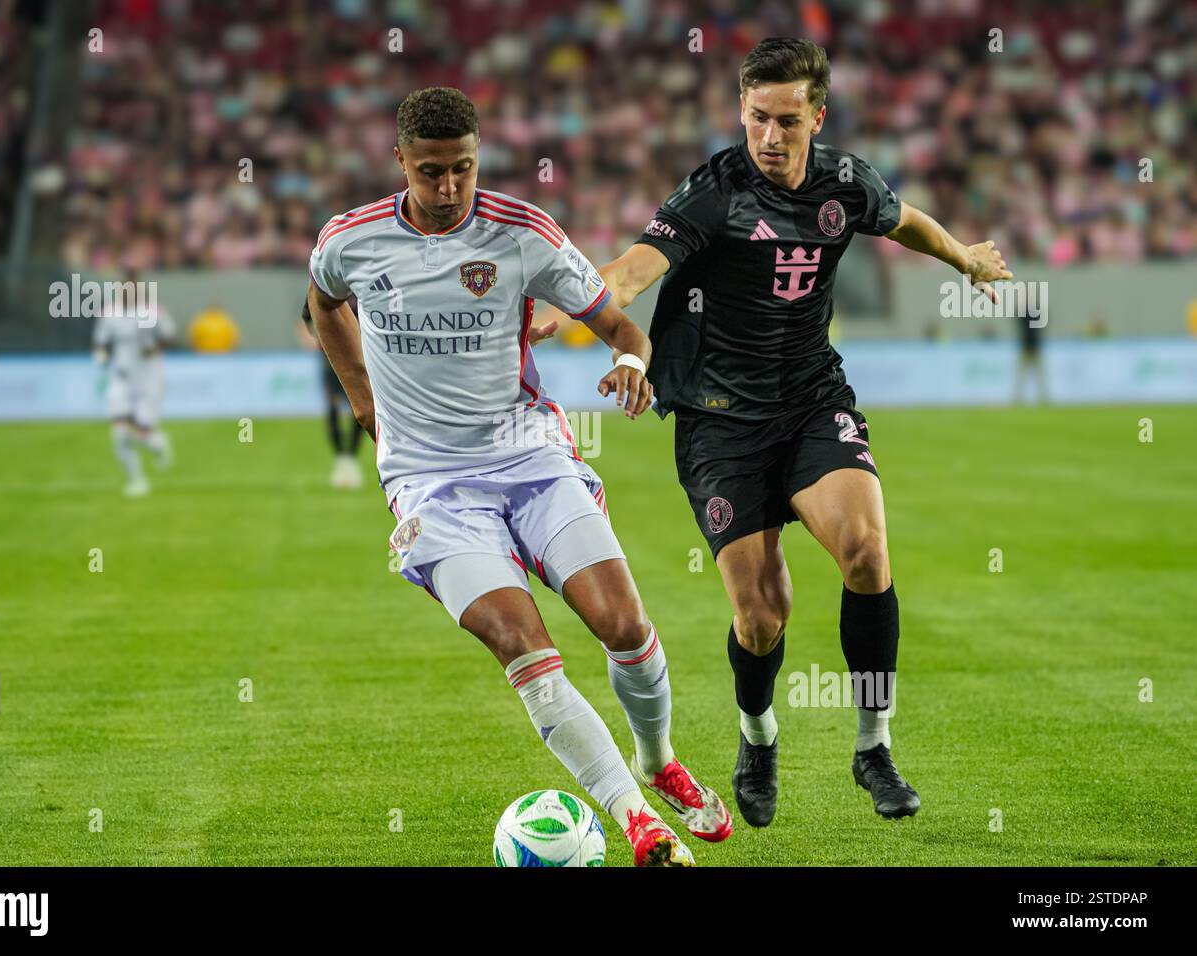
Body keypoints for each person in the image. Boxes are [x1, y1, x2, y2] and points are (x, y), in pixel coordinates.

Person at [307, 87, 733, 866]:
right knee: (523, 645)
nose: (448, 190)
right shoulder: (350, 240)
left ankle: (656, 756)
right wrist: (363, 398)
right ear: (399, 160)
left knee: (625, 628)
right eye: (431, 172)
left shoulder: (522, 232)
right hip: (431, 488)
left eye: (463, 170)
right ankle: (638, 821)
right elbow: (323, 303)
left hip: (530, 458)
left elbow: (617, 320)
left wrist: (631, 361)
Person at [596, 39, 1013, 825]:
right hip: (720, 423)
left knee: (866, 552)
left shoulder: (846, 183)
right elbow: (634, 267)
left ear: (817, 116)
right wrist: (584, 308)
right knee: (761, 616)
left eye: (789, 119)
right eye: (757, 117)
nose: (770, 136)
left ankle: (874, 746)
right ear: (741, 112)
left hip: (812, 399)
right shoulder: (714, 191)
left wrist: (963, 258)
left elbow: (904, 221)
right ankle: (759, 738)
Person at [93, 276, 176, 497]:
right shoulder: (109, 313)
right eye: (124, 290)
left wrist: (154, 349)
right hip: (121, 376)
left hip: (149, 377)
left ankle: (157, 443)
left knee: (141, 431)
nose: (128, 294)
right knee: (119, 432)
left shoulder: (152, 312)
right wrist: (101, 357)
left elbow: (170, 336)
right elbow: (101, 343)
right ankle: (137, 481)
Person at [298, 304, 366, 488]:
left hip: (356, 360)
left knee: (361, 411)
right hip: (330, 359)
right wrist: (315, 338)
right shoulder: (324, 282)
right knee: (332, 408)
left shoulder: (358, 288)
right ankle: (341, 460)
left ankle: (350, 457)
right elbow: (306, 316)